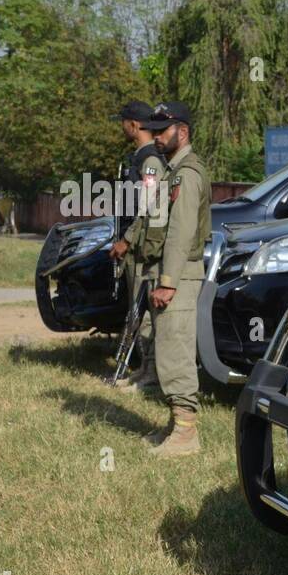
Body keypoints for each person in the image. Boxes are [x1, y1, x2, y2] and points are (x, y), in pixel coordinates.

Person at [133, 100, 211, 458]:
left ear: (183, 131)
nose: (156, 137)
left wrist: (167, 281)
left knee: (175, 353)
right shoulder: (171, 170)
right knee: (167, 349)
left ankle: (186, 433)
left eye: (162, 131)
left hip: (179, 276)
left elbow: (181, 232)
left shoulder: (187, 174)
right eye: (153, 130)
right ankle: (174, 425)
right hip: (169, 272)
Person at [107, 100, 166, 391]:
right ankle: (145, 370)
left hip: (142, 246)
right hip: (137, 243)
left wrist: (127, 240)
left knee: (144, 314)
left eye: (123, 122)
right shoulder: (141, 158)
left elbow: (149, 208)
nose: (122, 127)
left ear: (133, 124)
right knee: (137, 311)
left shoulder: (150, 160)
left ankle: (152, 375)